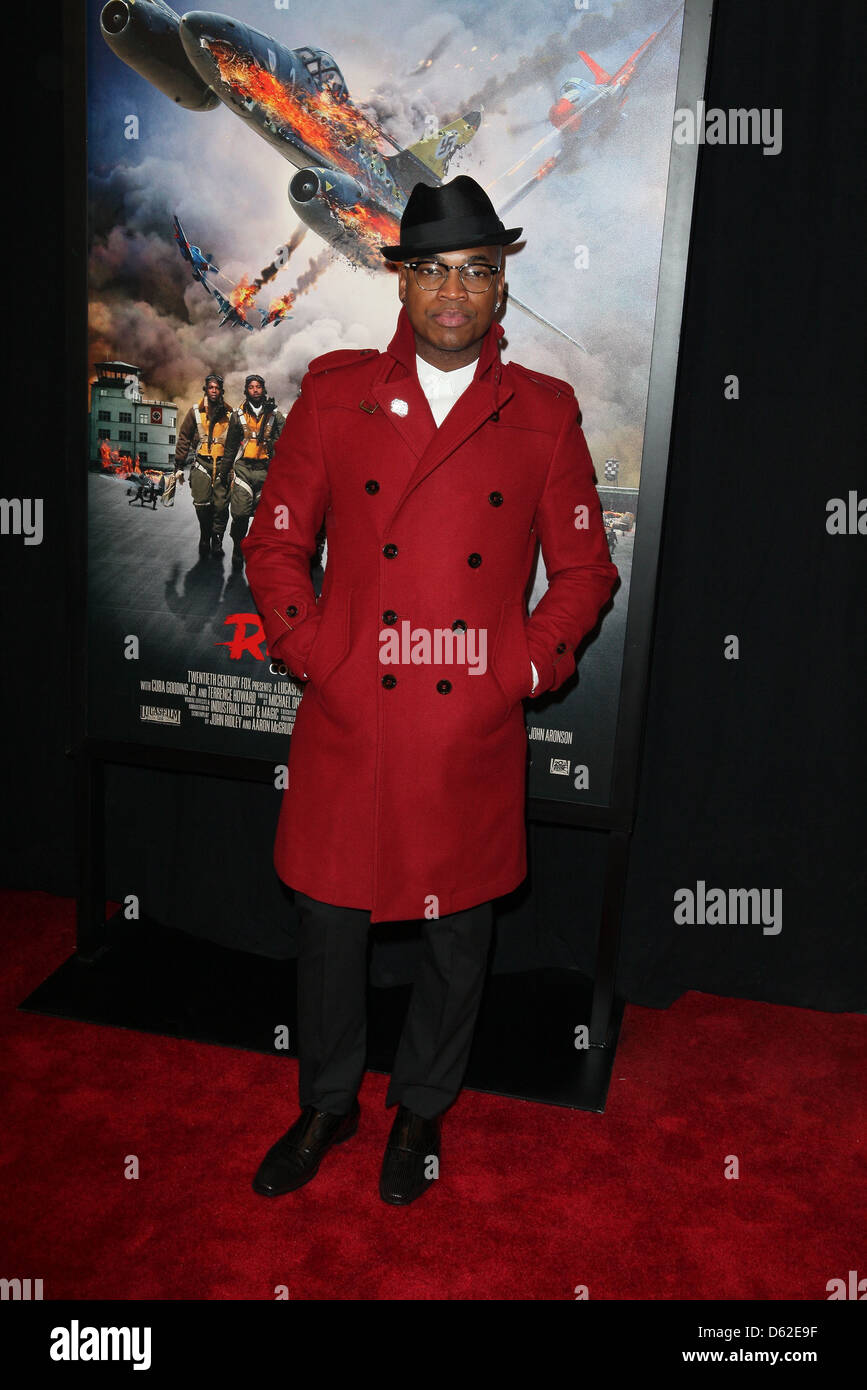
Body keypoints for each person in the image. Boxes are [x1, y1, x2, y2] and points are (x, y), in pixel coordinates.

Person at [242, 174, 618, 1205]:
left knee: (458, 935)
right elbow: (276, 541)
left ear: (500, 286)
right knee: (328, 924)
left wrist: (523, 669)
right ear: (400, 281)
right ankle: (327, 1101)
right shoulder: (333, 390)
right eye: (436, 271)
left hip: (467, 727)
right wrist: (318, 653)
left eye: (479, 271)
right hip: (353, 715)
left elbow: (585, 568)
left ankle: (421, 1109)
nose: (457, 290)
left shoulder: (543, 410)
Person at [219, 374, 285, 568]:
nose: (255, 390)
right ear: (246, 391)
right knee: (239, 514)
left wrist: (270, 443)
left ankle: (258, 550)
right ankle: (238, 548)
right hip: (243, 470)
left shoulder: (276, 415)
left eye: (258, 387)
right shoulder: (238, 416)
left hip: (267, 471)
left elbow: (285, 445)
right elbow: (230, 447)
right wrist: (224, 472)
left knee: (266, 519)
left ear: (264, 390)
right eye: (251, 387)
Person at [173, 373, 233, 556]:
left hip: (223, 465)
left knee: (221, 506)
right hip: (201, 463)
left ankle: (217, 537)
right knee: (202, 505)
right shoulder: (194, 412)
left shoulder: (230, 414)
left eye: (217, 388)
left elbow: (236, 442)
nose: (213, 391)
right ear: (206, 389)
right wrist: (178, 465)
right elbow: (183, 438)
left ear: (221, 391)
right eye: (211, 387)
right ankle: (205, 535)